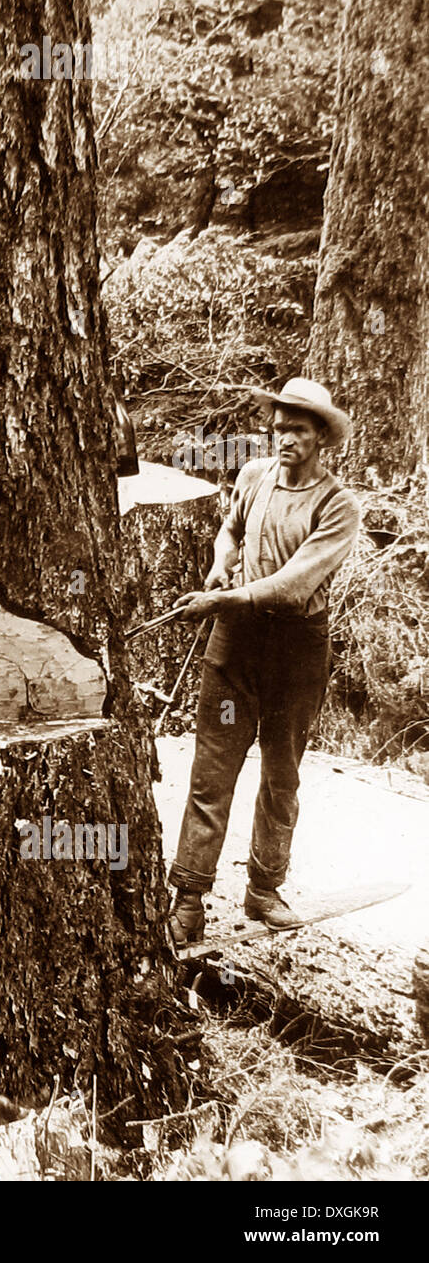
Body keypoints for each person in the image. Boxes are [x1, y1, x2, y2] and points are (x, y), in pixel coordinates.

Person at [166, 378, 361, 947]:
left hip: (296, 652)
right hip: (236, 647)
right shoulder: (252, 478)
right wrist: (221, 565)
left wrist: (220, 599)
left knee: (281, 776)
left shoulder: (338, 506)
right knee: (213, 771)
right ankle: (189, 899)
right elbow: (231, 529)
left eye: (298, 429)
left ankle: (264, 889)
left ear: (322, 436)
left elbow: (295, 584)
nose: (284, 439)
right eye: (278, 428)